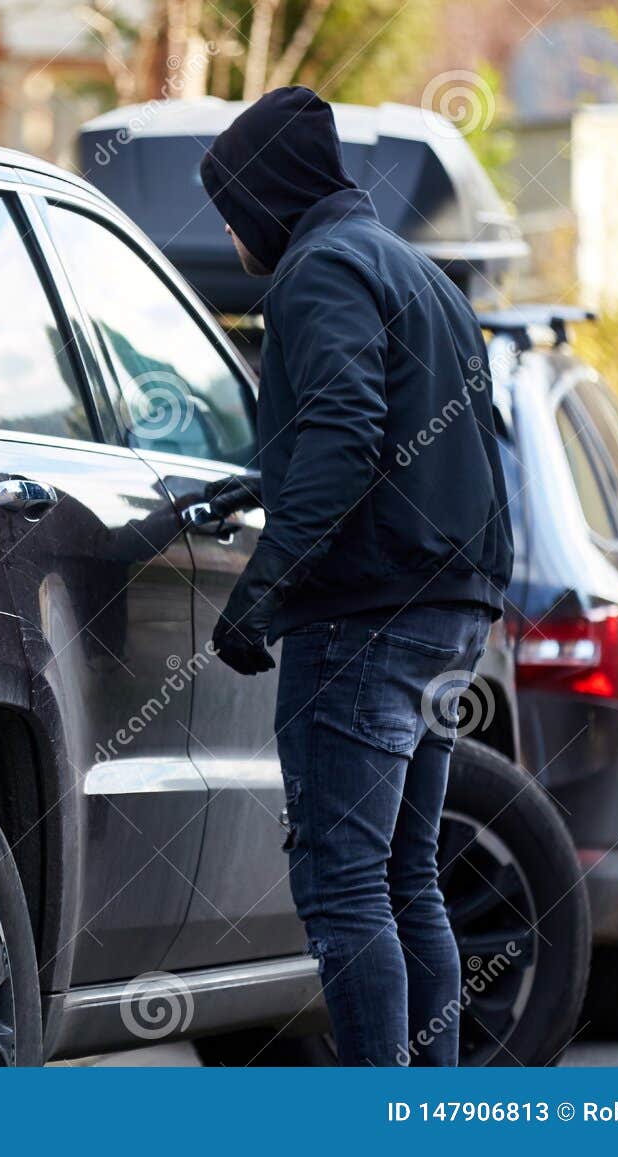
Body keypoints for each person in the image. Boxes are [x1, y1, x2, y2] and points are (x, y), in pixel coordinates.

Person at [199, 86, 513, 1066]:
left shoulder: (316, 269)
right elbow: (408, 442)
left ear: (266, 196)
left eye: (230, 204)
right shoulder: (418, 274)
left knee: (344, 884)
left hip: (365, 616)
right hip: (449, 609)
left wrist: (263, 586)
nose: (228, 228)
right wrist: (261, 484)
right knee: (407, 876)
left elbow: (344, 432)